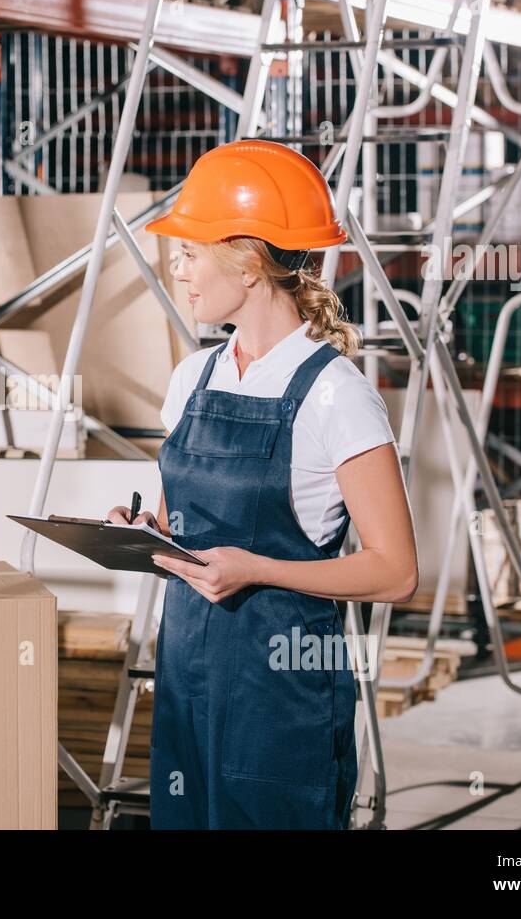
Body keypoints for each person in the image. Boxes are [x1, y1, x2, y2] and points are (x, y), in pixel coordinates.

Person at [106, 140, 418, 829]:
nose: (178, 270)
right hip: (187, 679)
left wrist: (256, 568)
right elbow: (174, 523)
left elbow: (396, 572)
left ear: (246, 263)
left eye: (189, 252)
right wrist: (142, 535)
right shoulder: (193, 377)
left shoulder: (337, 395)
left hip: (282, 698)